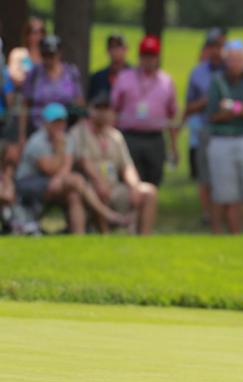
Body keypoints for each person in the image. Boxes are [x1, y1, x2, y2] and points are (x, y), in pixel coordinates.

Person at [15, 103, 129, 233]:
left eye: (61, 122)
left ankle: (78, 238)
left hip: (56, 182)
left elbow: (66, 167)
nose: (59, 126)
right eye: (55, 122)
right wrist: (59, 149)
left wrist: (60, 178)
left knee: (74, 195)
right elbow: (49, 169)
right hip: (29, 182)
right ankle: (107, 214)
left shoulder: (67, 139)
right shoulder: (37, 142)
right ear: (46, 123)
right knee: (76, 180)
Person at [69, 93, 157, 234]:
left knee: (149, 192)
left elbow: (127, 165)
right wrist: (99, 181)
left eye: (106, 108)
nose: (103, 113)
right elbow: (84, 162)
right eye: (99, 108)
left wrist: (133, 186)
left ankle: (144, 239)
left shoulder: (115, 136)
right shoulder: (79, 133)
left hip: (115, 186)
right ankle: (105, 235)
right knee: (99, 191)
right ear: (90, 110)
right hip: (90, 187)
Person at [205, 40, 243, 235]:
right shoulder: (217, 81)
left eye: (239, 59)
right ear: (226, 61)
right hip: (222, 140)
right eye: (231, 60)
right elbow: (213, 115)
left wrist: (233, 108)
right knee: (228, 196)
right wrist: (242, 110)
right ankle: (235, 236)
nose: (235, 64)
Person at [111, 35, 178, 187]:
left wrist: (173, 145)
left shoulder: (166, 81)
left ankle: (149, 209)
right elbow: (114, 110)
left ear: (157, 57)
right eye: (145, 55)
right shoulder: (125, 78)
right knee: (131, 181)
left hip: (155, 138)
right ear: (140, 56)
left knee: (154, 180)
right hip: (129, 136)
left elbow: (172, 114)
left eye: (152, 56)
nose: (149, 60)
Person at [184, 27, 227, 231]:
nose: (216, 51)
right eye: (212, 46)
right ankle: (208, 214)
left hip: (229, 130)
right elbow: (188, 106)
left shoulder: (234, 68)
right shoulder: (198, 72)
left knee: (225, 175)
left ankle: (226, 214)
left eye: (220, 46)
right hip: (206, 129)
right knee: (206, 176)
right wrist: (206, 101)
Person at [20, 35, 84, 144]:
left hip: (65, 130)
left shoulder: (71, 73)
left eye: (51, 55)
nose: (48, 59)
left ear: (59, 53)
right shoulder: (35, 73)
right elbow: (25, 105)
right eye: (45, 55)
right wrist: (21, 136)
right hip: (38, 130)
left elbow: (80, 103)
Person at [87, 33, 130, 102]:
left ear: (125, 49)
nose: (115, 50)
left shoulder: (134, 76)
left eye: (118, 46)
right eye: (112, 47)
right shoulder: (97, 78)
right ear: (107, 50)